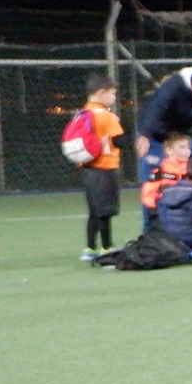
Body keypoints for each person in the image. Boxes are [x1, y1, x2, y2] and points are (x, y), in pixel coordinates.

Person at [69, 73, 125, 261]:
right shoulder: (107, 116)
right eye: (112, 94)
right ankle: (107, 246)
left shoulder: (81, 113)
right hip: (105, 167)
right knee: (105, 211)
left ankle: (90, 247)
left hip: (88, 168)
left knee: (93, 210)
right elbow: (119, 141)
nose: (114, 98)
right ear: (102, 93)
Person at [138, 133, 192, 224]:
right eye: (182, 147)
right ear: (169, 150)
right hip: (165, 214)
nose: (187, 151)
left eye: (188, 148)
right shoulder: (160, 173)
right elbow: (148, 194)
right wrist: (158, 210)